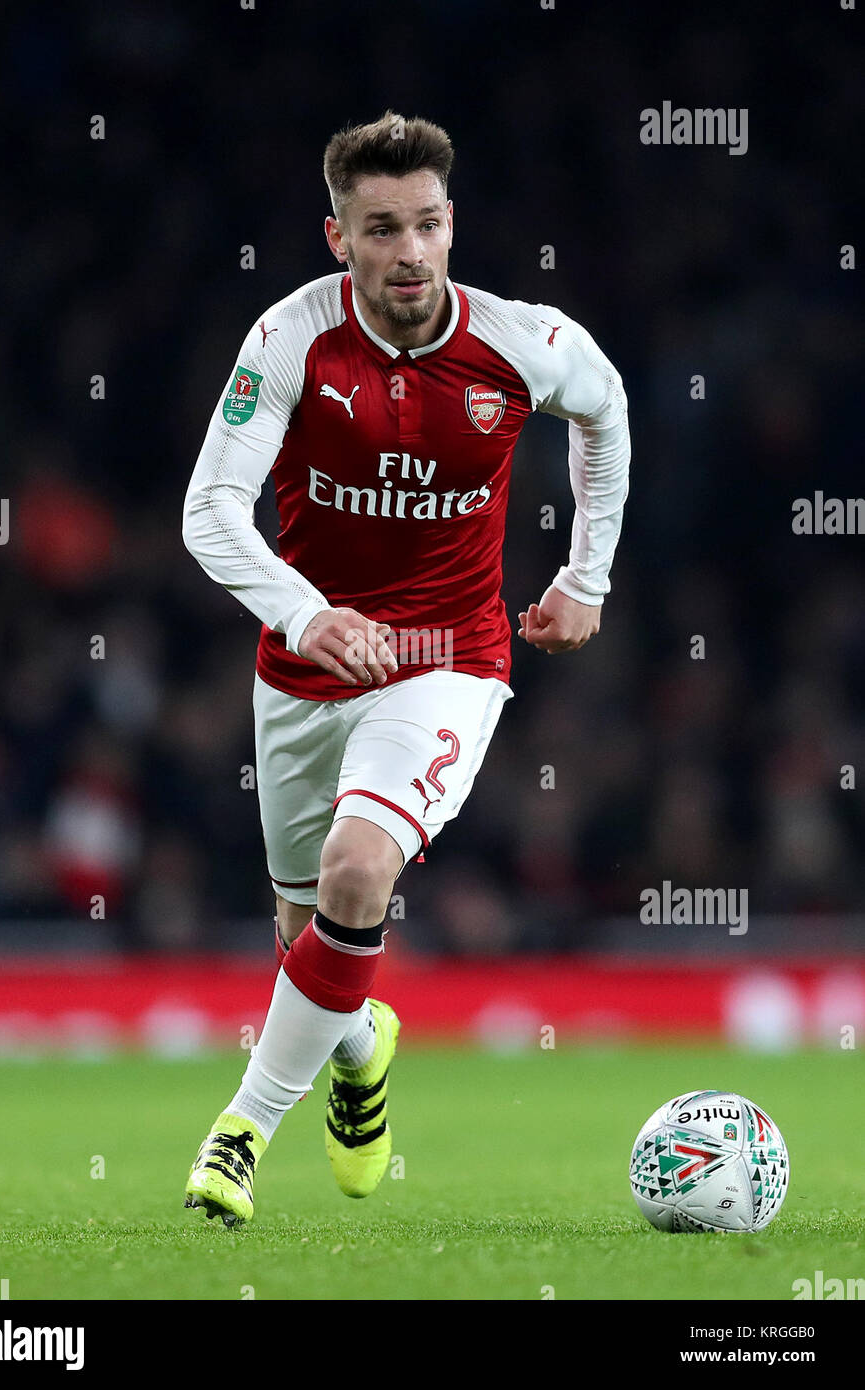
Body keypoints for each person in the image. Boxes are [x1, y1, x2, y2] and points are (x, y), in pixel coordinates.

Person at [181, 110, 631, 1225]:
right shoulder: (288, 340)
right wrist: (305, 612)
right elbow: (209, 513)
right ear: (337, 236)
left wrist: (586, 577)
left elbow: (606, 410)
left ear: (450, 224)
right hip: (303, 671)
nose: (411, 252)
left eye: (427, 224)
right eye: (381, 229)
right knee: (309, 946)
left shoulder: (520, 342)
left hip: (447, 659)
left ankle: (237, 1134)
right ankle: (358, 1051)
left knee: (353, 873)